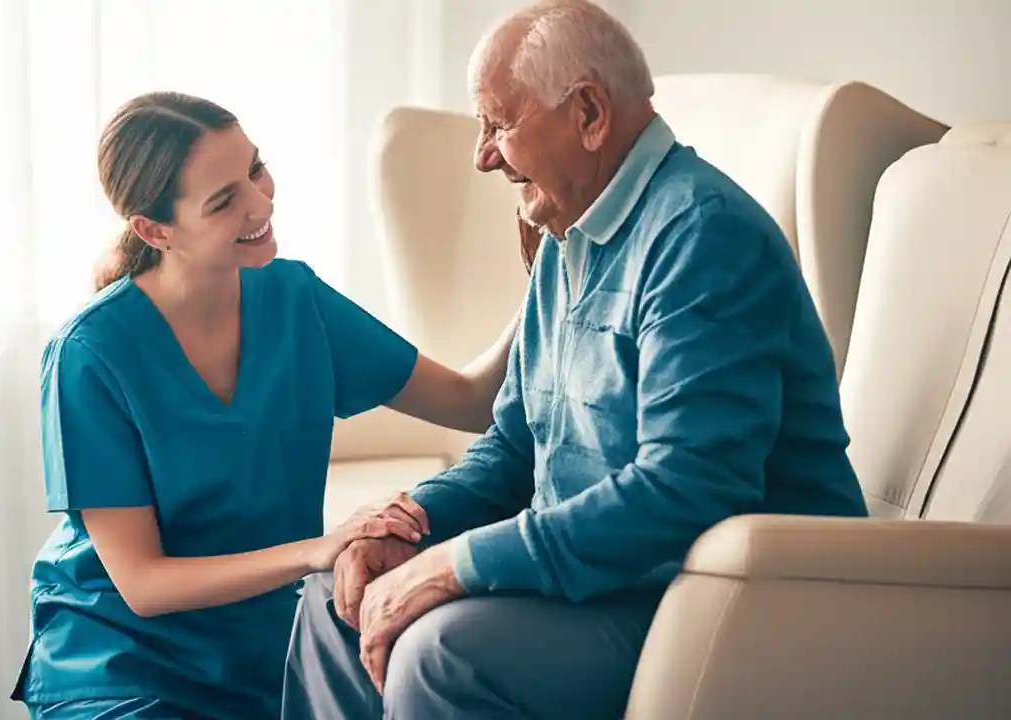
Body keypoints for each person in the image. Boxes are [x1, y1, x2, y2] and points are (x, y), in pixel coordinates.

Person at [281, 2, 870, 718]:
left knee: (444, 655)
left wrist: (458, 565)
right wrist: (405, 527)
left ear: (588, 112)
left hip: (711, 598)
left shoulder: (702, 238)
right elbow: (513, 447)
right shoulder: (566, 235)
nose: (482, 155)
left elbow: (688, 488)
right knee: (336, 597)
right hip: (605, 579)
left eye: (497, 124)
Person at [9, 91, 520, 719]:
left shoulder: (295, 299)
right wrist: (316, 550)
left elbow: (471, 401)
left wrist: (557, 254)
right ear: (153, 230)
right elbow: (142, 584)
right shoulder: (89, 354)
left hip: (266, 655)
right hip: (122, 663)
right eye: (224, 200)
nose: (261, 202)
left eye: (255, 168)